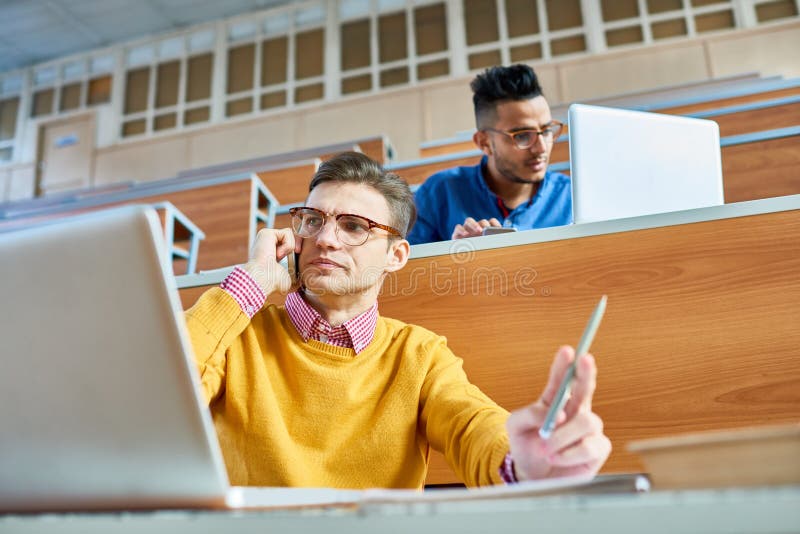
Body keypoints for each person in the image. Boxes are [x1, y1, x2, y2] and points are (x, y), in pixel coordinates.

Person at [185, 151, 610, 488]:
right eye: (312, 220)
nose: (325, 239)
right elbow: (152, 386)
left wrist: (521, 463)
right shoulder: (235, 329)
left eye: (354, 226)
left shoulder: (420, 355)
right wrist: (251, 284)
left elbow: (473, 425)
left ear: (396, 255)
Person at [408, 64, 572, 244]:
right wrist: (456, 257)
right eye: (522, 136)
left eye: (547, 130)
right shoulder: (439, 192)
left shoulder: (572, 198)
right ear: (484, 142)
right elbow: (408, 269)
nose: (541, 148)